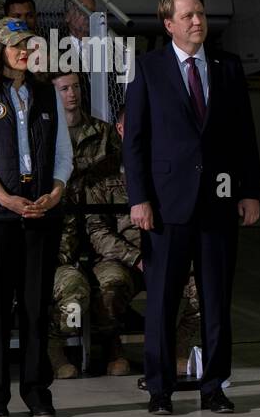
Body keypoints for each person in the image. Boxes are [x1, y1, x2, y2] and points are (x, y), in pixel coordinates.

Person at [122, 0, 260, 416]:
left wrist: (250, 191)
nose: (197, 21)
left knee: (216, 302)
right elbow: (136, 142)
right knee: (163, 300)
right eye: (187, 16)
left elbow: (244, 136)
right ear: (168, 25)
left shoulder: (228, 67)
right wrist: (139, 199)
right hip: (166, 207)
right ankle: (160, 390)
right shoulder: (148, 69)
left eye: (200, 14)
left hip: (217, 206)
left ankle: (214, 386)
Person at [0, 18, 73, 417]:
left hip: (40, 213)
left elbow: (64, 154)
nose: (24, 50)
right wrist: (5, 198)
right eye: (15, 45)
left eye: (27, 43)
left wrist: (56, 192)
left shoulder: (47, 94)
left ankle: (36, 390)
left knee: (35, 306)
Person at [86, 108, 201, 377]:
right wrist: (135, 258)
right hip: (122, 259)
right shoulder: (103, 172)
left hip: (165, 251)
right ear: (120, 129)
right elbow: (96, 230)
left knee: (205, 286)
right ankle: (114, 348)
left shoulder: (167, 167)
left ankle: (177, 344)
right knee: (109, 287)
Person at [47, 70, 117, 380]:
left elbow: (114, 180)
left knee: (112, 280)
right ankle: (54, 346)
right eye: (63, 89)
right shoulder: (44, 133)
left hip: (98, 222)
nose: (71, 94)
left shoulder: (102, 132)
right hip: (61, 225)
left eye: (75, 87)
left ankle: (112, 345)